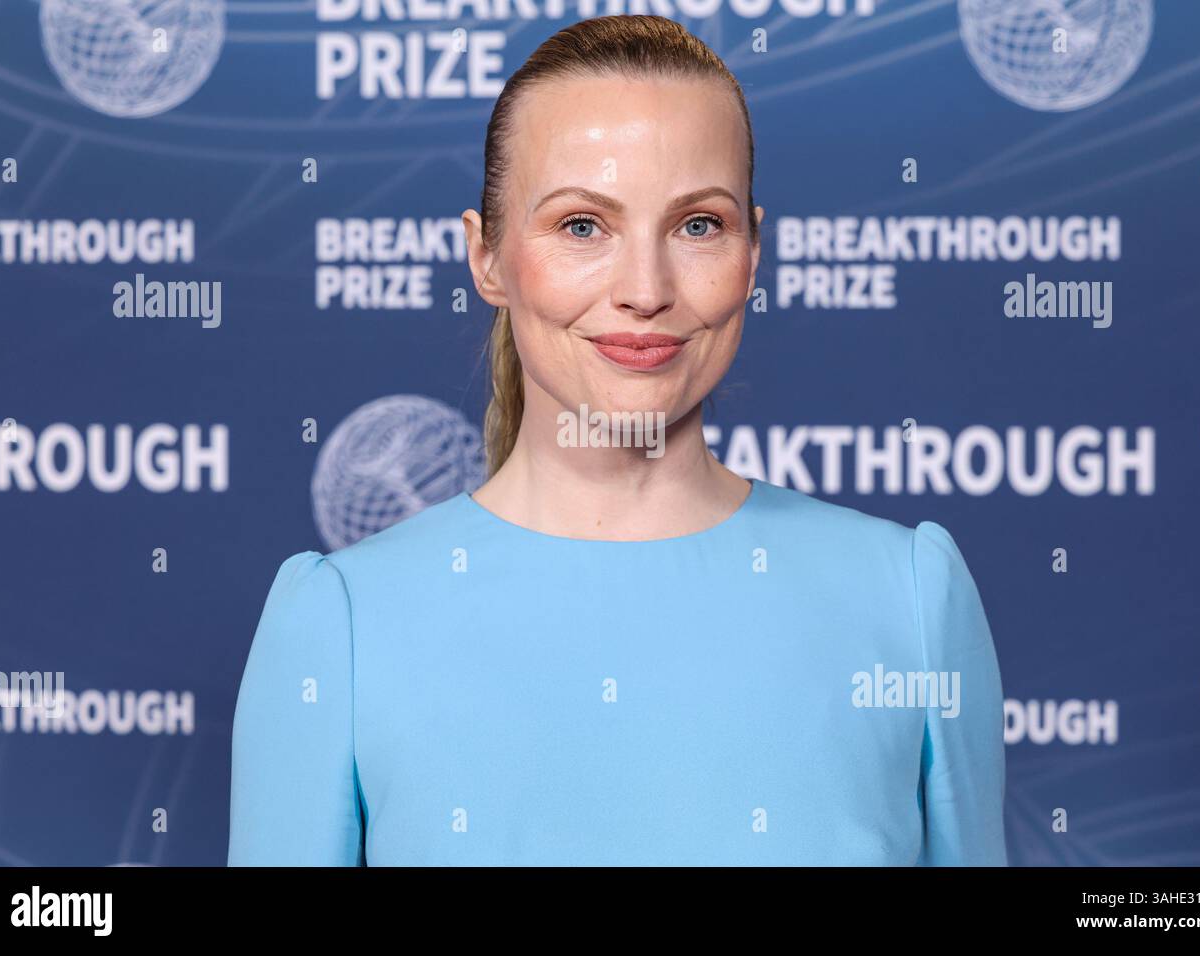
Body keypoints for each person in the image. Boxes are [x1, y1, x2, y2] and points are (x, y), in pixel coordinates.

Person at [228, 13, 1007, 866]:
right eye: (582, 226)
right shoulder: (339, 626)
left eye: (697, 225)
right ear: (485, 257)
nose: (645, 289)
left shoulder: (908, 599)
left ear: (753, 252)